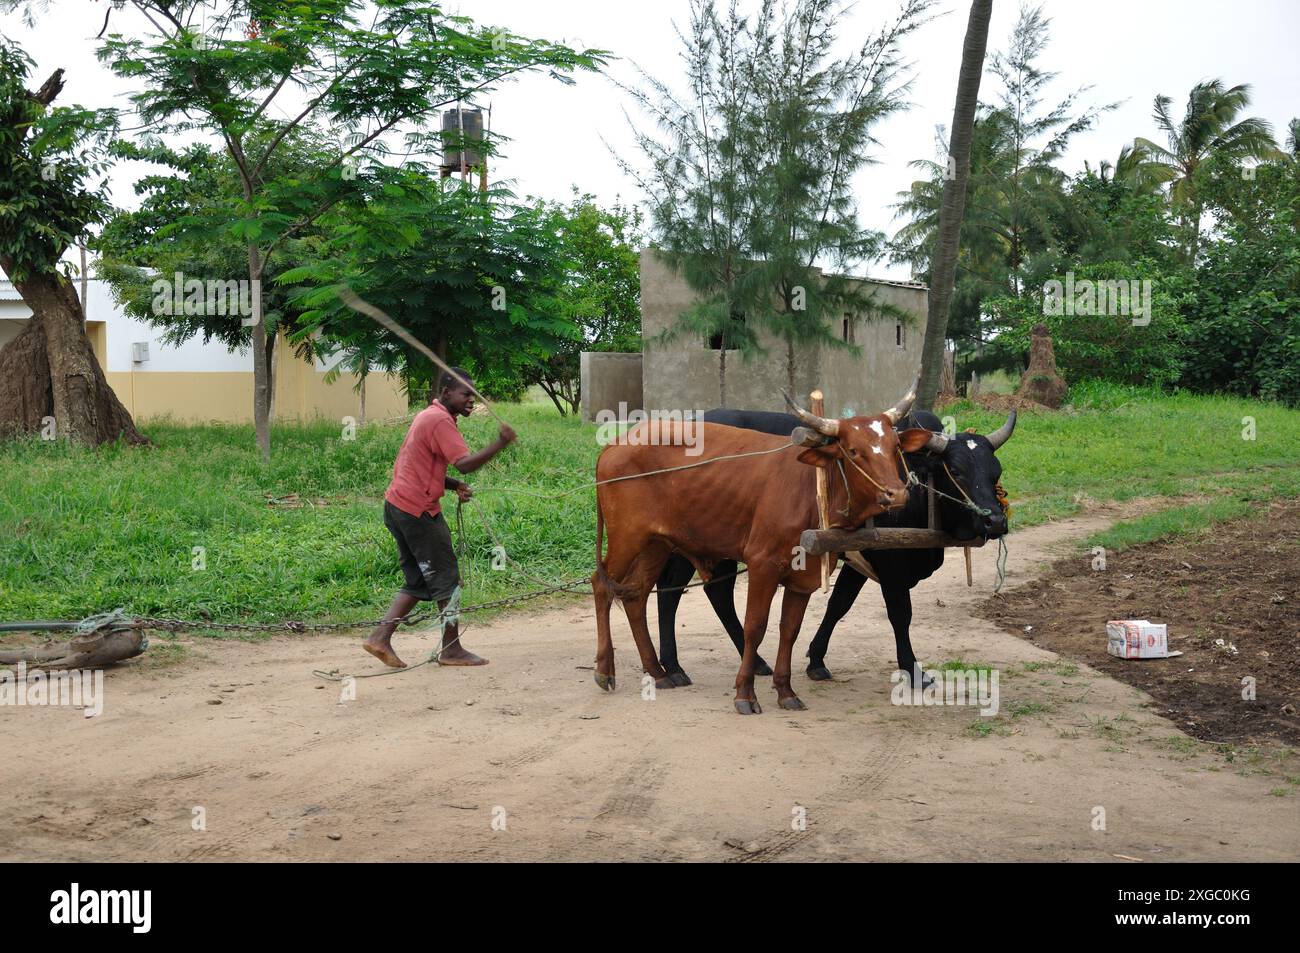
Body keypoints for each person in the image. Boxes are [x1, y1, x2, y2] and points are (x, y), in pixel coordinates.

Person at [363, 368, 516, 668]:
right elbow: (465, 465)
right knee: (447, 579)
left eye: (473, 394)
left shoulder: (428, 416)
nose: (471, 400)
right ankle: (452, 650)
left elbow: (422, 463)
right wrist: (501, 442)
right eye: (465, 394)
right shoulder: (440, 421)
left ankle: (380, 638)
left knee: (420, 579)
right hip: (418, 511)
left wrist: (452, 486)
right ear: (446, 393)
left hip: (398, 506)